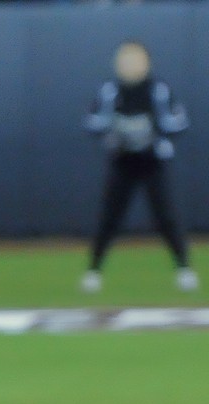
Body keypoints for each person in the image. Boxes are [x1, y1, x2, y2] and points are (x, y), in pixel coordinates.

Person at [82, 40, 196, 293]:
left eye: (136, 60)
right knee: (109, 217)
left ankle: (184, 269)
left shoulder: (158, 90)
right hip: (122, 161)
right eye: (126, 60)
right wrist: (113, 133)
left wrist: (155, 131)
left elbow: (179, 121)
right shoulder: (110, 90)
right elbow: (91, 121)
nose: (131, 65)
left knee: (166, 216)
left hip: (152, 162)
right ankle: (93, 271)